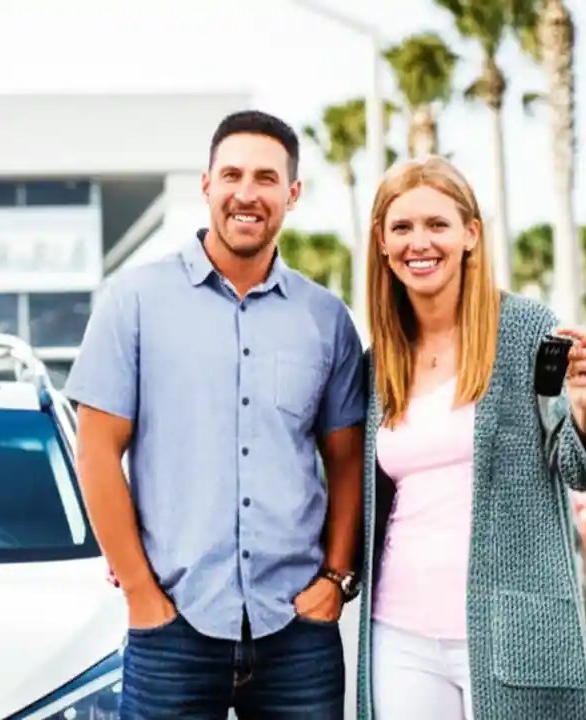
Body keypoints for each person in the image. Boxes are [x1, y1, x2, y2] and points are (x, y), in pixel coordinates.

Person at [63, 109, 366, 719]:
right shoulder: (135, 301)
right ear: (206, 185)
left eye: (265, 178)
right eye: (231, 175)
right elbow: (96, 452)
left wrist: (334, 579)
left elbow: (347, 459)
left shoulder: (324, 317)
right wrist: (143, 595)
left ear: (292, 193)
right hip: (172, 625)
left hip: (296, 631)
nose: (246, 194)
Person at [352, 156, 586, 720]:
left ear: (470, 235)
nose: (419, 242)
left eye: (437, 225)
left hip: (512, 628)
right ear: (382, 243)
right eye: (402, 227)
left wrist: (583, 408)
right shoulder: (377, 362)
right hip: (398, 630)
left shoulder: (526, 329)